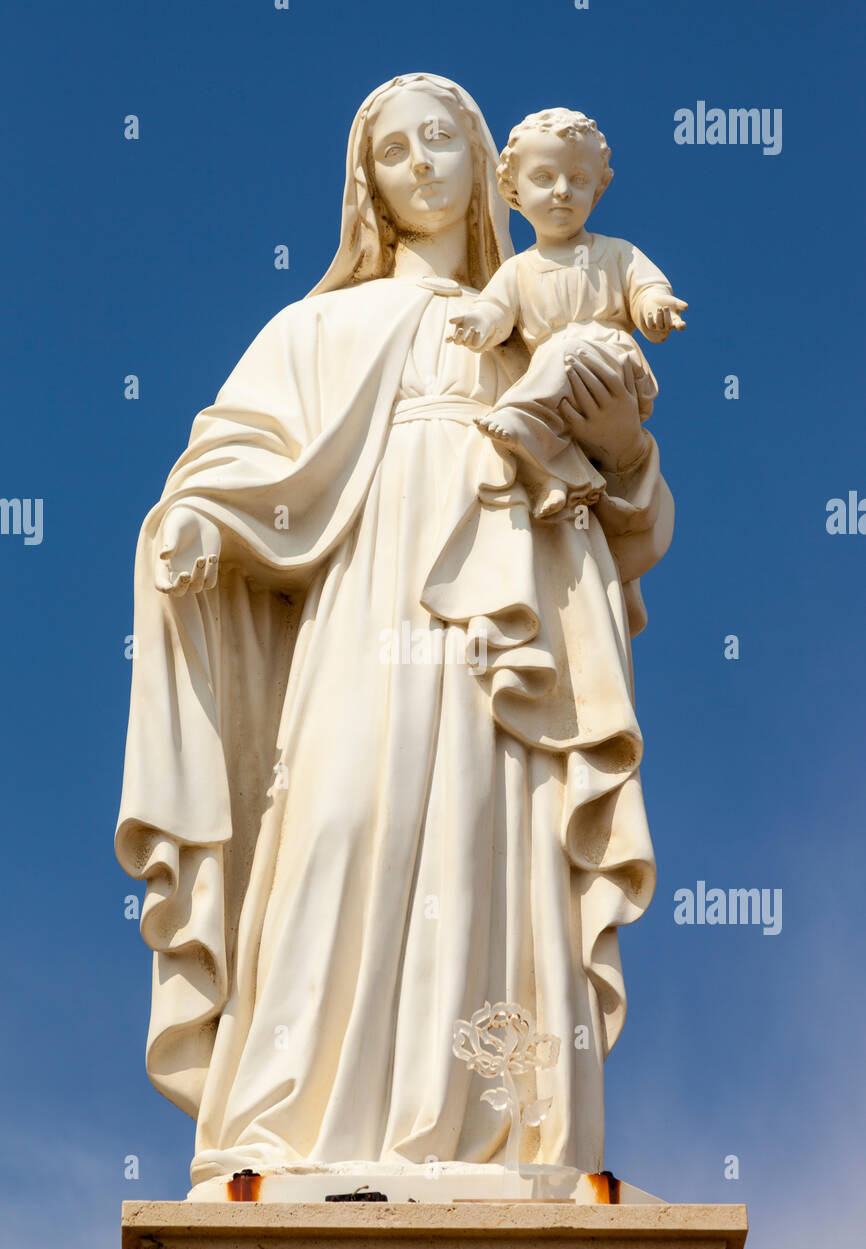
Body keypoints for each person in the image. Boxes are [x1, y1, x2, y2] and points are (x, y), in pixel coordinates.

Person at [115, 74, 673, 1190]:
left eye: (440, 140)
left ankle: (508, 1132)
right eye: (391, 150)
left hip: (514, 614)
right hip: (363, 606)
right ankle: (288, 1125)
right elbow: (232, 456)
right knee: (334, 819)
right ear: (365, 185)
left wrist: (623, 451)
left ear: (484, 164)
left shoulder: (539, 317)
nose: (418, 163)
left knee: (493, 835)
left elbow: (629, 520)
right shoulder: (316, 326)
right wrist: (196, 521)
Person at [449, 107, 687, 515]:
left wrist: (657, 308)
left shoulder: (616, 252)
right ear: (513, 191)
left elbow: (646, 288)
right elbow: (495, 309)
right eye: (544, 178)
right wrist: (478, 323)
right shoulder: (518, 269)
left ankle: (518, 416)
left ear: (597, 188)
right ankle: (559, 483)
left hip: (607, 360)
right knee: (554, 379)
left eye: (577, 180)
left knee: (560, 357)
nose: (562, 191)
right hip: (553, 375)